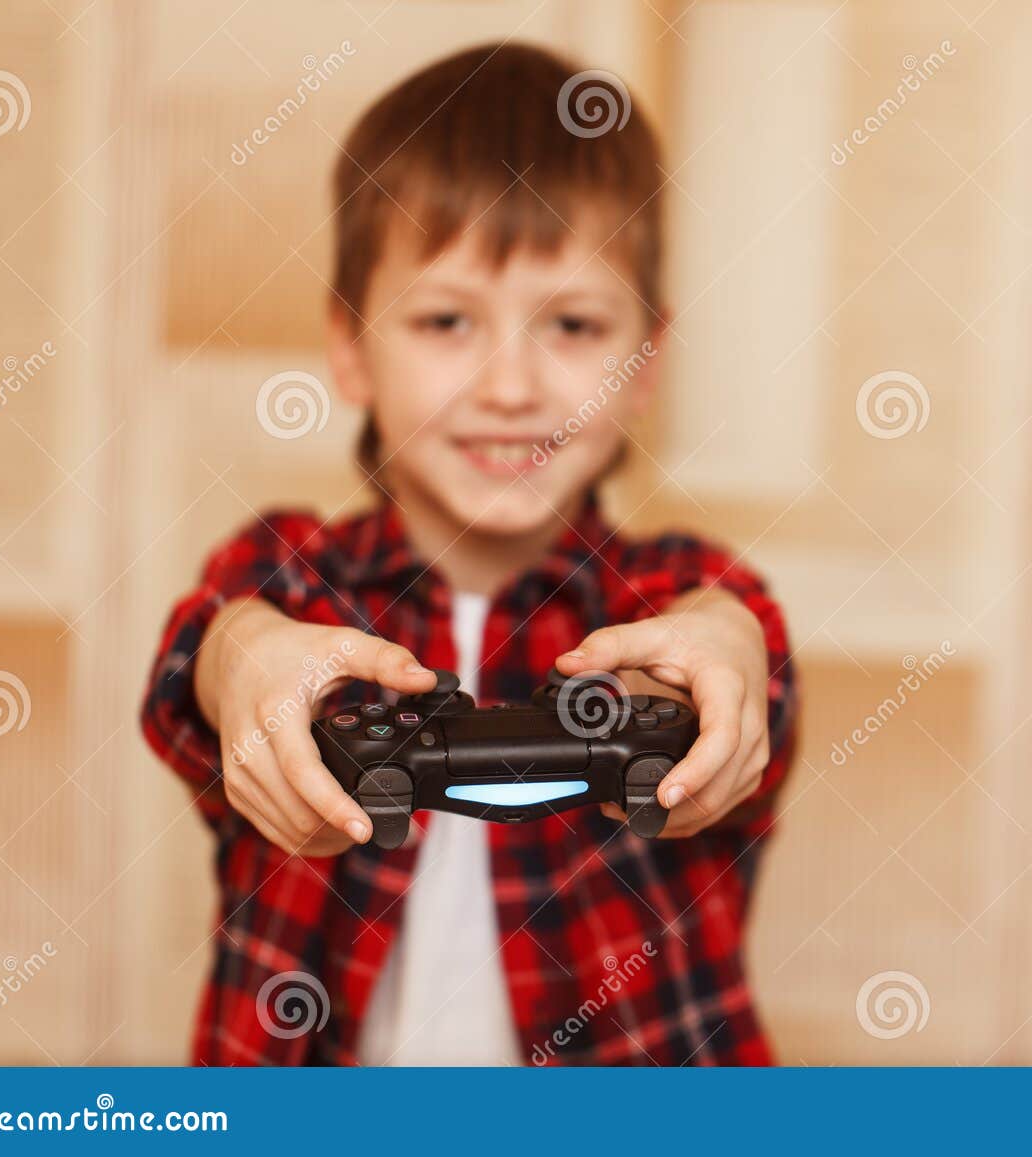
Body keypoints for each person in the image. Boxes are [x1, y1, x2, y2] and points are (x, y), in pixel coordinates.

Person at [139, 41, 798, 1066]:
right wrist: (246, 661)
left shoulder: (670, 597)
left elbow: (737, 638)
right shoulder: (294, 580)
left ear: (642, 367)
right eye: (448, 320)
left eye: (573, 325)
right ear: (352, 347)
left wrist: (726, 647)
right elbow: (210, 652)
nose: (510, 385)